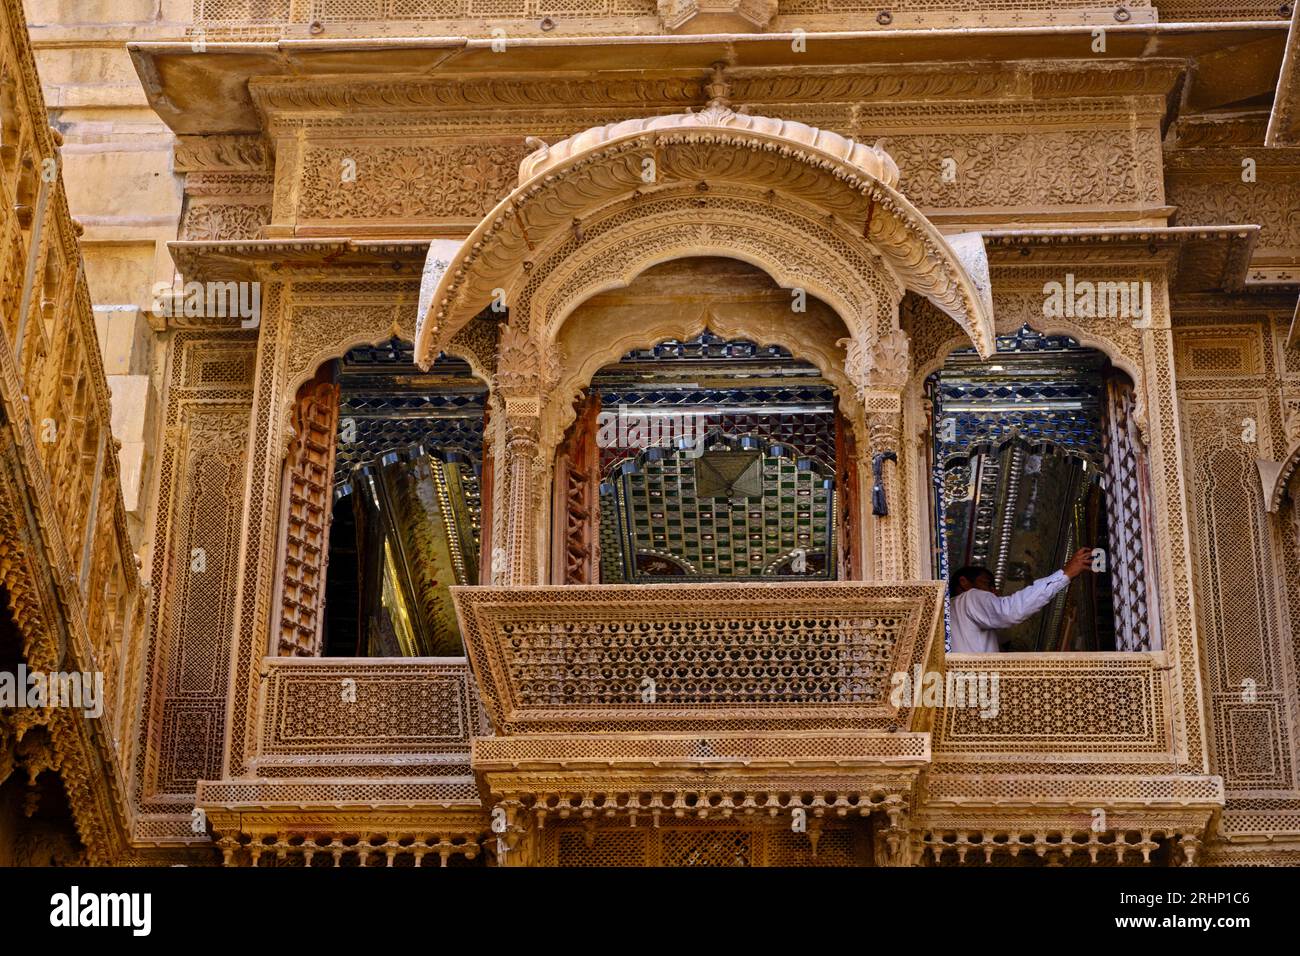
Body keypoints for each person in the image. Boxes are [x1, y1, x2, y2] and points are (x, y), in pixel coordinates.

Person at [948, 547, 1093, 653]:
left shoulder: (945, 616)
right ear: (964, 582)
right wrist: (1065, 574)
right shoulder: (969, 598)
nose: (994, 591)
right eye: (988, 584)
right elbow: (1009, 611)